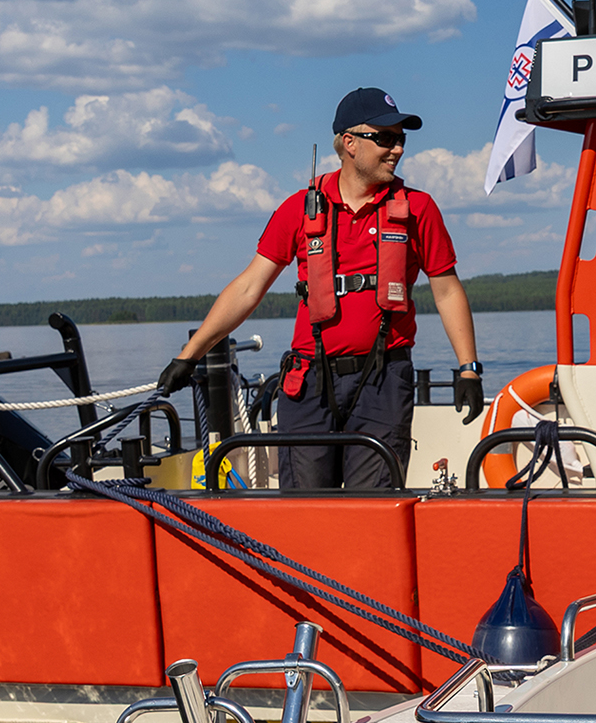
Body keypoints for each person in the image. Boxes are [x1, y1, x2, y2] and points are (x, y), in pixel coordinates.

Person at [158, 87, 484, 489]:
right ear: (349, 142)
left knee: (373, 506)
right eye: (384, 138)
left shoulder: (419, 208)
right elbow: (248, 287)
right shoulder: (299, 208)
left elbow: (447, 290)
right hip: (309, 382)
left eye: (400, 139)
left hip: (384, 380)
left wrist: (468, 370)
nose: (396, 149)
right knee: (307, 508)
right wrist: (189, 356)